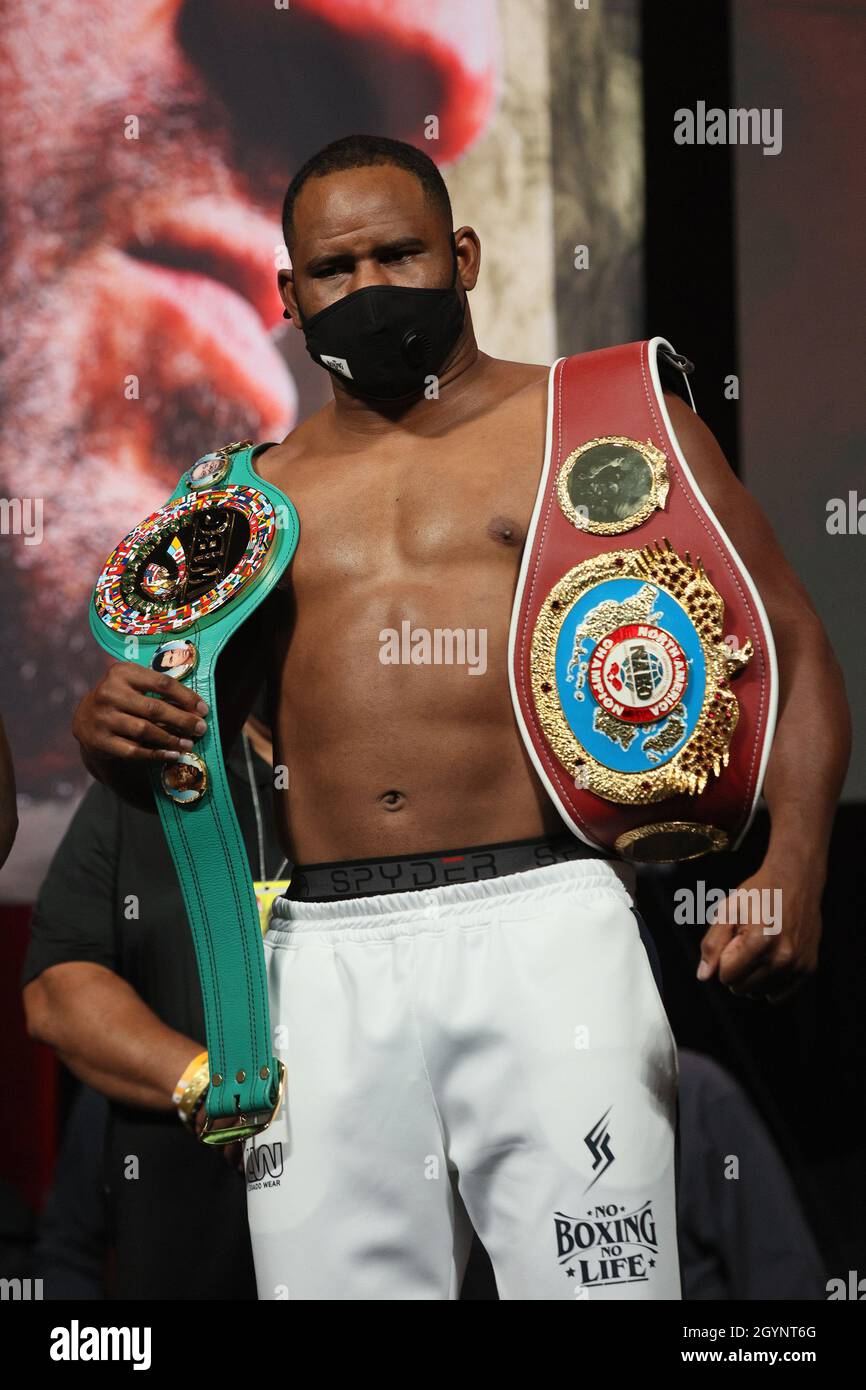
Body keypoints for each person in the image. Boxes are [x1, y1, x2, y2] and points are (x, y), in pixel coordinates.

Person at [72, 134, 850, 1301]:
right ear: (287, 295)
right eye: (335, 268)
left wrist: (792, 861)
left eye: (400, 252)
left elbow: (787, 646)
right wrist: (114, 733)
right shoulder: (238, 503)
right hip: (319, 956)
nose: (369, 286)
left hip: (544, 924)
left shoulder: (593, 422)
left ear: (464, 255)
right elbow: (179, 738)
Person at [22, 717, 284, 1299]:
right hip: (182, 1206)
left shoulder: (387, 786)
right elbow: (56, 992)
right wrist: (208, 1084)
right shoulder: (150, 786)